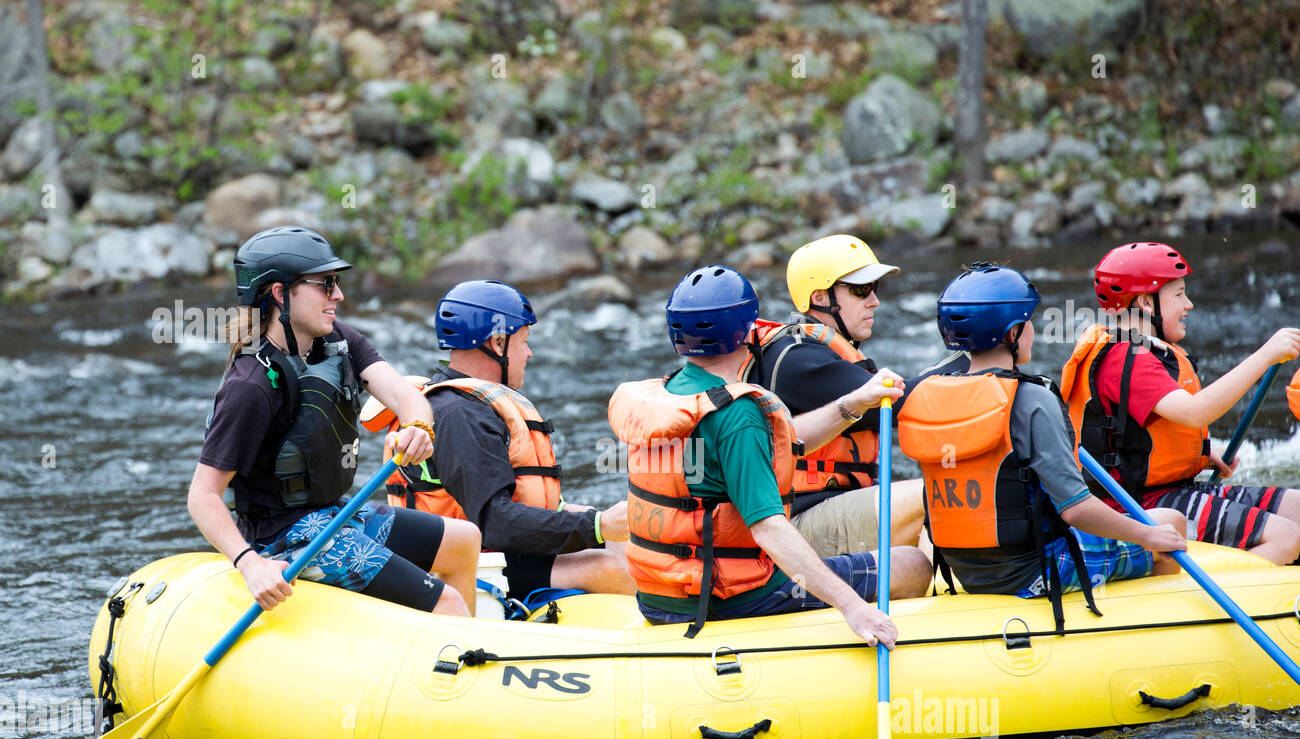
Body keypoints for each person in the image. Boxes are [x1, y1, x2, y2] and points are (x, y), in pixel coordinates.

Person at [608, 265, 932, 643]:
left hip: (661, 596)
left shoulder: (675, 392)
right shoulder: (738, 413)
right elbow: (769, 529)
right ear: (748, 330)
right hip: (731, 598)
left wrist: (854, 403)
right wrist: (853, 609)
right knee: (911, 564)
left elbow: (781, 443)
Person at [188, 225, 479, 616]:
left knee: (464, 541)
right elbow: (202, 496)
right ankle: (456, 660)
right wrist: (250, 564)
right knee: (446, 601)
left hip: (333, 513)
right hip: (282, 538)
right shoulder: (251, 386)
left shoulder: (338, 341)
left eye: (337, 282)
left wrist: (418, 426)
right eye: (326, 284)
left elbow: (404, 395)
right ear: (279, 293)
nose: (339, 295)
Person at [896, 262, 1188, 630]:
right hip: (1032, 571)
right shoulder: (1031, 397)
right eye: (1029, 322)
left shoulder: (926, 395)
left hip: (968, 571)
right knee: (1169, 522)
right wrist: (1149, 535)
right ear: (1013, 332)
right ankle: (1152, 632)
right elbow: (1076, 510)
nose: (1034, 330)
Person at [361, 279, 634, 601]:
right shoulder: (458, 415)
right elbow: (496, 524)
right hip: (476, 566)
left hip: (500, 552)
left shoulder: (473, 404)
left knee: (621, 540)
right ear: (498, 342)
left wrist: (596, 522)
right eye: (524, 341)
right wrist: (597, 526)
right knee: (610, 567)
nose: (529, 353)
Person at [1061, 242, 1300, 565]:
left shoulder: (1140, 351)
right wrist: (1265, 355)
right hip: (1143, 505)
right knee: (1286, 536)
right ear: (1146, 303)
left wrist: (1199, 454)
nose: (1188, 305)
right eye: (1178, 295)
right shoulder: (1127, 358)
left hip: (1173, 491)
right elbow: (1195, 411)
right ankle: (1224, 603)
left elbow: (1140, 434)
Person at [737, 234, 930, 557]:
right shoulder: (799, 361)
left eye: (874, 288)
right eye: (859, 290)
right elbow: (901, 403)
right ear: (820, 298)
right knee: (933, 495)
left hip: (824, 508)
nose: (874, 301)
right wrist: (982, 370)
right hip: (795, 526)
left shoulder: (814, 351)